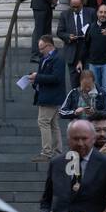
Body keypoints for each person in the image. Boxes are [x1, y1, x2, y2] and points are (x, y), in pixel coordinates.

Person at [39, 119, 106, 212]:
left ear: (93, 139)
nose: (80, 143)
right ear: (68, 139)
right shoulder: (56, 163)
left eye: (84, 138)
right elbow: (46, 199)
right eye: (76, 139)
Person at [78, 3, 106, 111]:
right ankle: (96, 116)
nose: (103, 14)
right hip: (93, 64)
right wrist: (79, 61)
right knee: (93, 92)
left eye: (105, 12)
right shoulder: (91, 26)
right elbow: (85, 45)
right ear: (97, 13)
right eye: (101, 12)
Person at [30, 34, 66, 162]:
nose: (40, 51)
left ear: (50, 46)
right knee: (53, 124)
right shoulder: (45, 58)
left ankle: (46, 152)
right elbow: (45, 76)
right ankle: (57, 151)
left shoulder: (58, 58)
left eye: (42, 48)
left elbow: (56, 78)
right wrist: (35, 79)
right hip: (47, 95)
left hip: (51, 96)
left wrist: (38, 77)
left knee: (43, 122)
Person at [56, 0, 96, 90]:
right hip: (72, 52)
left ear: (82, 4)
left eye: (77, 7)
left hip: (87, 52)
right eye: (72, 6)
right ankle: (75, 104)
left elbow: (95, 28)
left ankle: (88, 104)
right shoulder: (65, 15)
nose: (74, 9)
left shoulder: (91, 12)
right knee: (74, 84)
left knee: (88, 81)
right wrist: (68, 36)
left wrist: (89, 34)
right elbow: (59, 32)